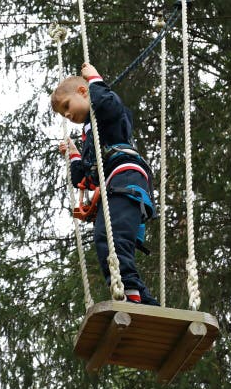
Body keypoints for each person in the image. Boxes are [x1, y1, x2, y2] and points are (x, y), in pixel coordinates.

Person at [52, 62, 159, 306]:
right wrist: (75, 155)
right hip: (113, 184)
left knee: (112, 237)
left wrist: (95, 80)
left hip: (126, 177)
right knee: (107, 240)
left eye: (67, 107)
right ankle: (141, 298)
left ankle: (129, 291)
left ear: (82, 92)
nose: (68, 115)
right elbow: (84, 180)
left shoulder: (106, 111)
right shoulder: (90, 134)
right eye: (63, 115)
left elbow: (108, 104)